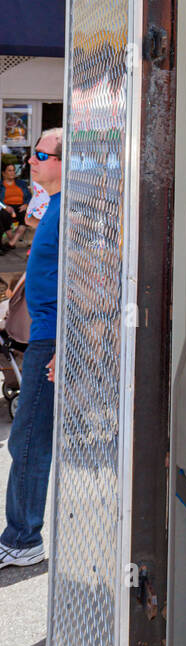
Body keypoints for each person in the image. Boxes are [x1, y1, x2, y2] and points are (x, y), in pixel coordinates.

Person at [0, 128, 63, 568]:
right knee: (30, 437)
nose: (32, 161)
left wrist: (66, 344)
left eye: (42, 153)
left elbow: (90, 277)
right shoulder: (54, 206)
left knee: (27, 440)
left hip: (52, 340)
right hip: (45, 334)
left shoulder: (71, 210)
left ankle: (23, 540)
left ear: (66, 161)